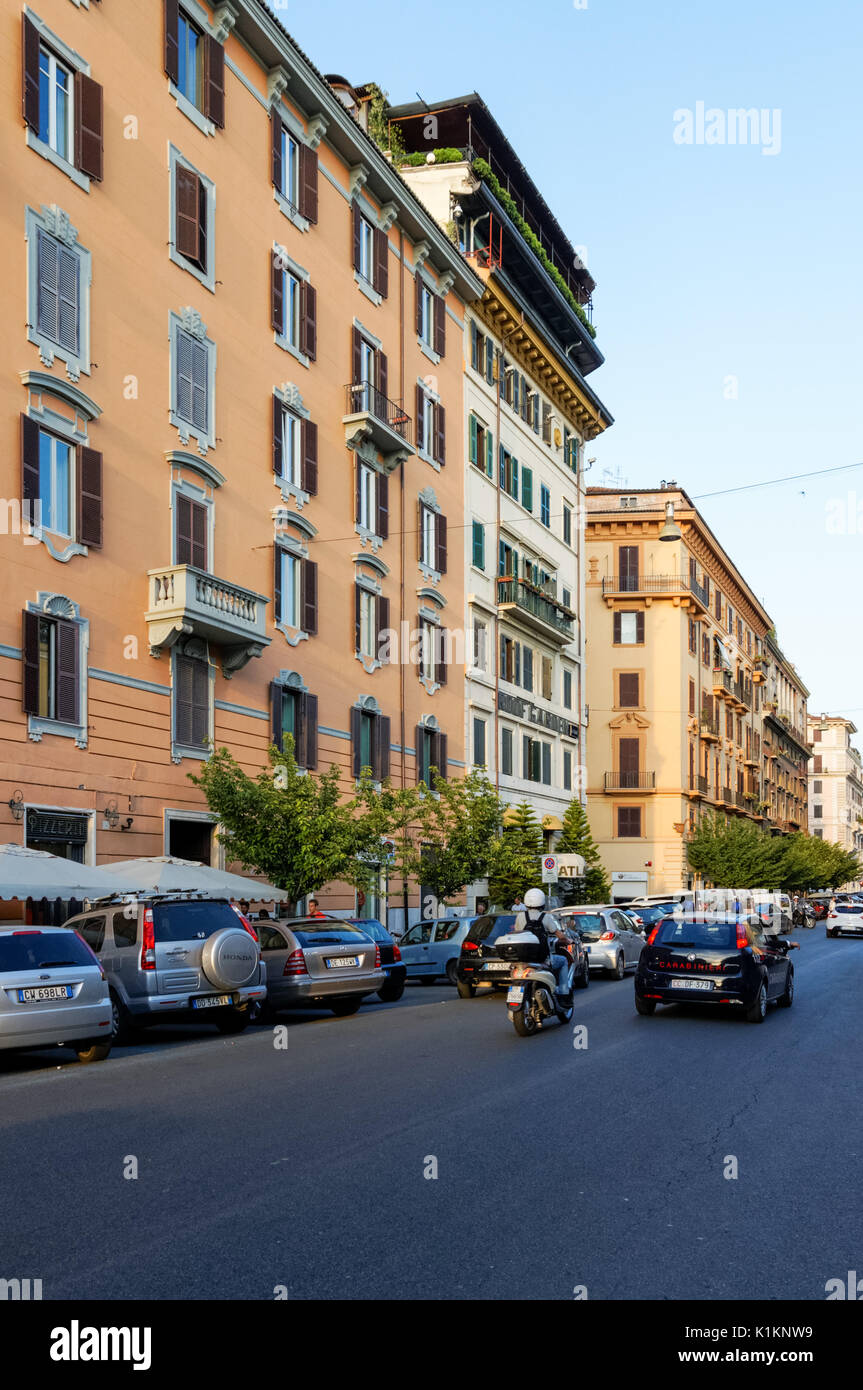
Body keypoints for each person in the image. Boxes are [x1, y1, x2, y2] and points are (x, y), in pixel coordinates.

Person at [513, 888, 574, 1001]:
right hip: (542, 959)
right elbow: (559, 935)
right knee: (563, 961)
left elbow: (517, 933)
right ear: (542, 902)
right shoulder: (546, 917)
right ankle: (564, 991)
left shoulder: (521, 917)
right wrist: (567, 940)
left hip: (524, 960)